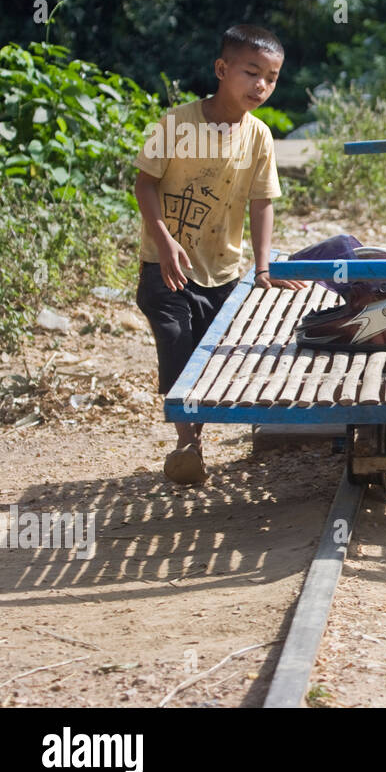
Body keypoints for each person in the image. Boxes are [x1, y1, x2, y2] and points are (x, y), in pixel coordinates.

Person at [133, 24, 305, 485]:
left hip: (223, 269)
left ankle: (195, 439)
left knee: (206, 360)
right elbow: (144, 183)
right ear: (222, 69)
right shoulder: (174, 124)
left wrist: (264, 265)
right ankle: (187, 445)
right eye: (251, 73)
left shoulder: (259, 137)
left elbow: (262, 201)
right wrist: (164, 238)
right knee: (175, 343)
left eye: (271, 78)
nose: (261, 86)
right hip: (166, 265)